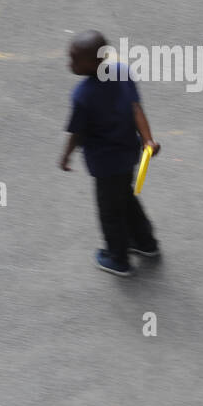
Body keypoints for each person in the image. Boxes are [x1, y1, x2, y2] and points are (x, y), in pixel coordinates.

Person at [60, 32, 160, 277]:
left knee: (110, 212)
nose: (70, 64)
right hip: (128, 155)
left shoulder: (82, 95)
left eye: (75, 60)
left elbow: (77, 132)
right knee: (126, 199)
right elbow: (135, 108)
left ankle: (118, 258)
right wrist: (147, 139)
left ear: (94, 63)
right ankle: (145, 242)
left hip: (105, 165)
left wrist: (66, 156)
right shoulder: (122, 72)